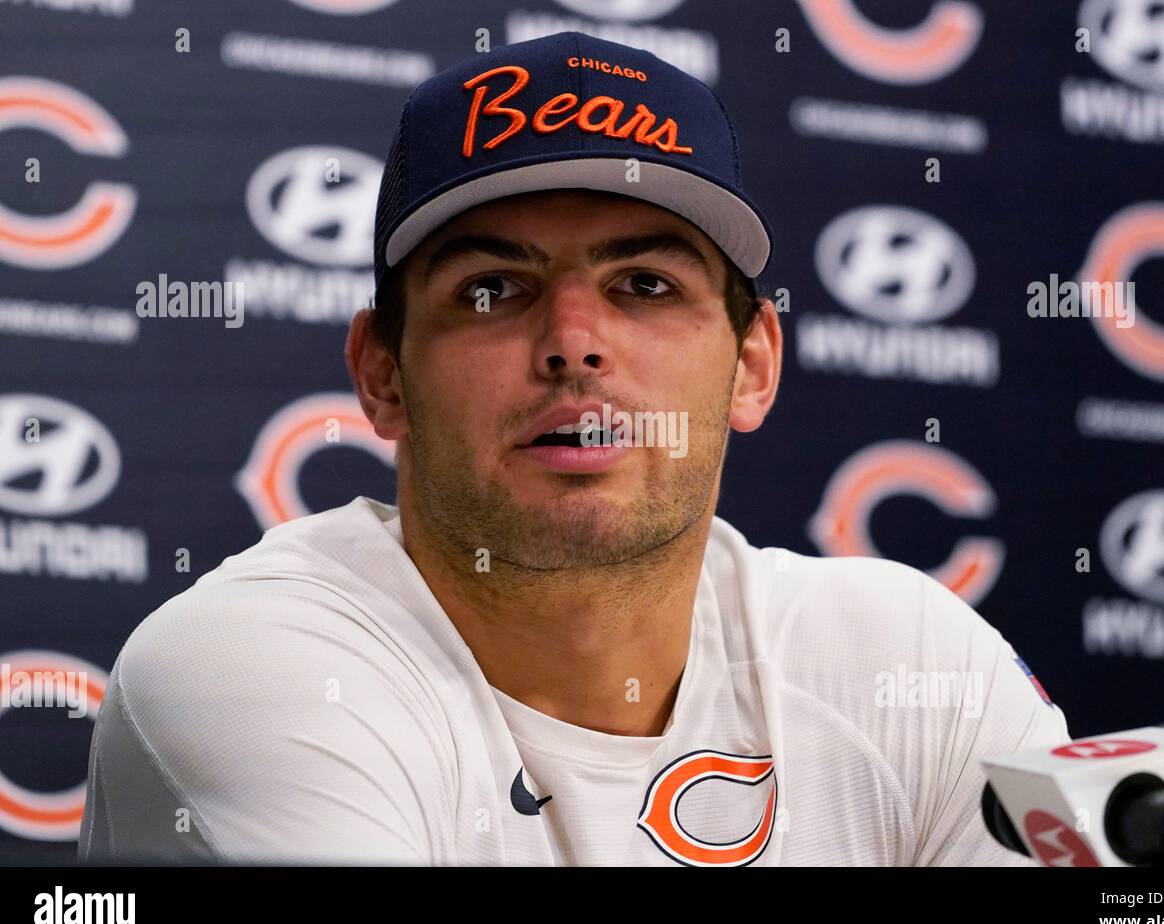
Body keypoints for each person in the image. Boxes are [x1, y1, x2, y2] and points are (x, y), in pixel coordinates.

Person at [78, 30, 1069, 866]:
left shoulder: (907, 660)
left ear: (751, 364)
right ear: (382, 374)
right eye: (490, 289)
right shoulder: (252, 664)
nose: (573, 340)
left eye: (644, 284)